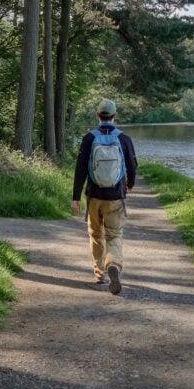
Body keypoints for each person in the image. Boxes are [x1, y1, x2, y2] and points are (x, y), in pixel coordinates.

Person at [72, 98, 137, 294]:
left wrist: (76, 197)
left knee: (96, 234)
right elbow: (133, 165)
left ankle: (99, 273)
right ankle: (113, 264)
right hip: (115, 196)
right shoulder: (124, 138)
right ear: (115, 116)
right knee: (114, 234)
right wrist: (130, 184)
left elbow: (80, 169)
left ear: (98, 116)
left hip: (94, 195)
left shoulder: (89, 138)